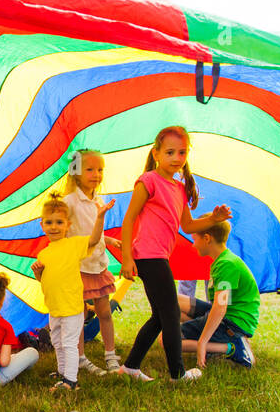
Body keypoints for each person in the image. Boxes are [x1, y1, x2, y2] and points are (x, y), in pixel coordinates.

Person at [117, 126, 231, 382]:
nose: (177, 158)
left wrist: (214, 218)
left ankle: (131, 367)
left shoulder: (179, 189)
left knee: (160, 316)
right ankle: (177, 373)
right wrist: (127, 257)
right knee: (169, 314)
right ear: (156, 153)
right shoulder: (148, 181)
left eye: (182, 152)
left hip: (159, 256)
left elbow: (188, 226)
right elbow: (129, 220)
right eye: (170, 152)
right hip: (148, 255)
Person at [31, 194, 114, 391]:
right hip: (55, 307)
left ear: (68, 224)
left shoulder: (73, 245)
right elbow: (47, 281)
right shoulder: (44, 253)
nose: (54, 226)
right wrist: (38, 274)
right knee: (57, 342)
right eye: (49, 222)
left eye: (59, 222)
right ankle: (62, 372)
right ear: (42, 225)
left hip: (71, 307)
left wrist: (100, 217)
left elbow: (94, 239)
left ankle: (70, 381)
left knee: (69, 343)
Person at [62, 150, 123, 376]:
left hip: (98, 265)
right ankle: (79, 357)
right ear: (76, 172)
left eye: (100, 170)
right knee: (78, 315)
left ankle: (110, 354)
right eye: (90, 169)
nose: (96, 175)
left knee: (104, 312)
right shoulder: (69, 202)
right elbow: (64, 232)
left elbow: (92, 231)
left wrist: (109, 239)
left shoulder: (98, 200)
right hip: (79, 267)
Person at [179, 221, 257, 369]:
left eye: (195, 240)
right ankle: (214, 339)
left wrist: (202, 342)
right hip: (225, 314)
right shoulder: (223, 259)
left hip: (233, 323)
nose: (193, 245)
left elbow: (220, 307)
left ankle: (232, 348)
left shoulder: (226, 265)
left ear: (207, 238)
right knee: (172, 302)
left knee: (167, 341)